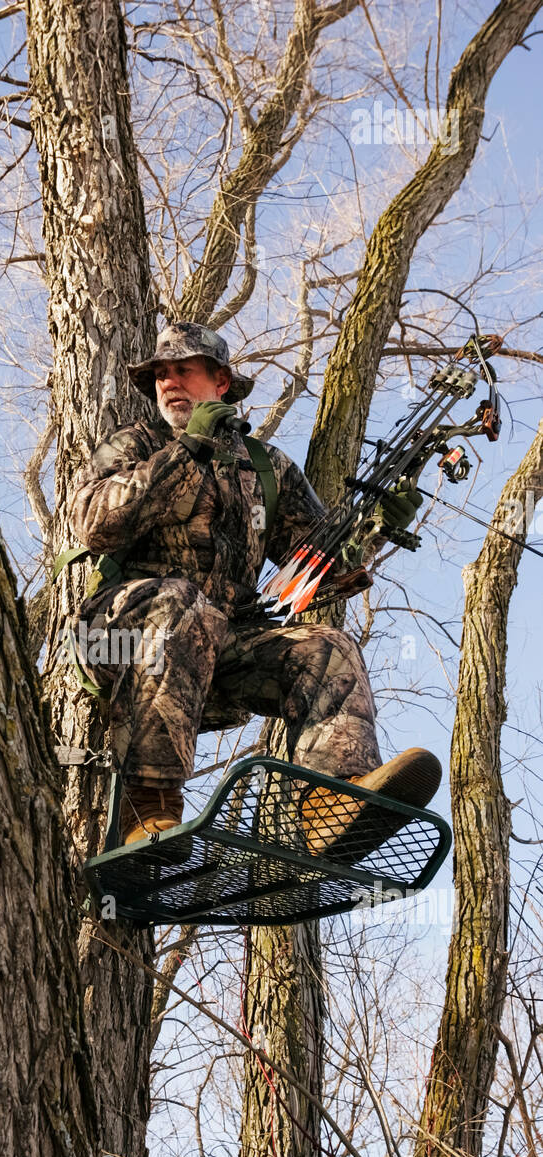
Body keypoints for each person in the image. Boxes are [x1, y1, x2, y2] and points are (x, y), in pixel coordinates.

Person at [62, 322, 441, 854]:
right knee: (180, 605)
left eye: (183, 370)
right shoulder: (136, 445)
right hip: (119, 638)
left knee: (328, 648)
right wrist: (188, 449)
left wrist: (376, 526)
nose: (168, 382)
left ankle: (336, 804)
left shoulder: (266, 468)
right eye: (160, 374)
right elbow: (95, 523)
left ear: (220, 382)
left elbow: (322, 565)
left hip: (215, 652)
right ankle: (147, 813)